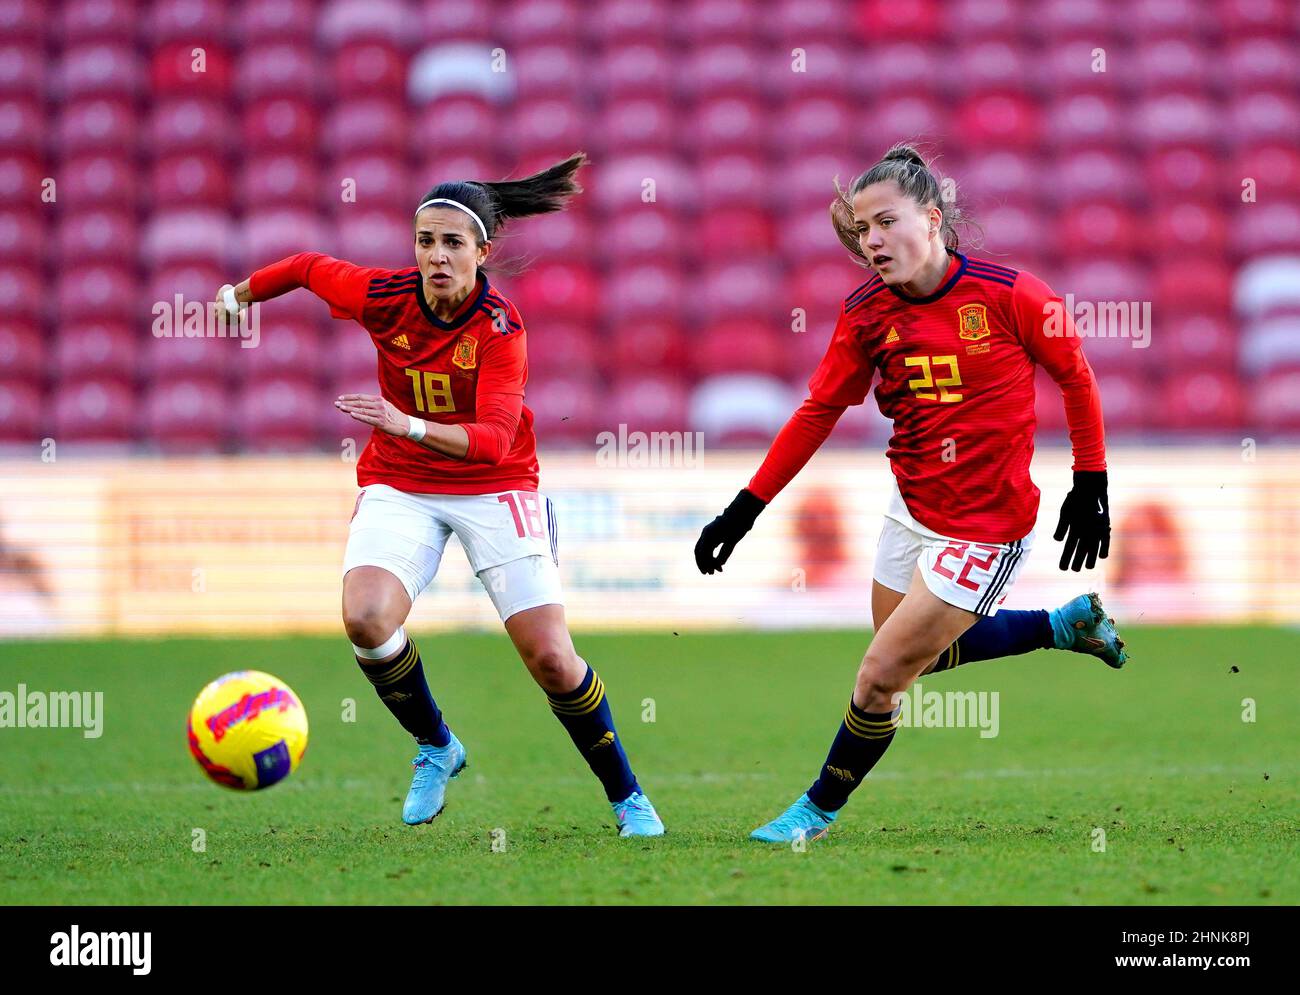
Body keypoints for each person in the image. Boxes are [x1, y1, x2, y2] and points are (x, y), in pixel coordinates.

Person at [215, 153, 663, 837]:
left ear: (483, 252)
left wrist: (407, 422)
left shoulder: (500, 330)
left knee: (550, 658)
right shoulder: (383, 295)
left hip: (496, 483)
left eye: (453, 243)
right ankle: (437, 745)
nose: (436, 255)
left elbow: (489, 440)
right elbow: (307, 266)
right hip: (401, 481)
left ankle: (627, 795)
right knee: (366, 618)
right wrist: (240, 294)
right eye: (425, 241)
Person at [695, 143, 1127, 843]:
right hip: (912, 506)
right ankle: (1059, 625)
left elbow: (1076, 375)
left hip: (987, 526)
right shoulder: (866, 312)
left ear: (931, 218)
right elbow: (818, 411)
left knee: (879, 678)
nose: (871, 241)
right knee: (915, 652)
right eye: (863, 229)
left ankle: (815, 809)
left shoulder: (1013, 294)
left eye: (885, 222)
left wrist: (1091, 480)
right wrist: (746, 507)